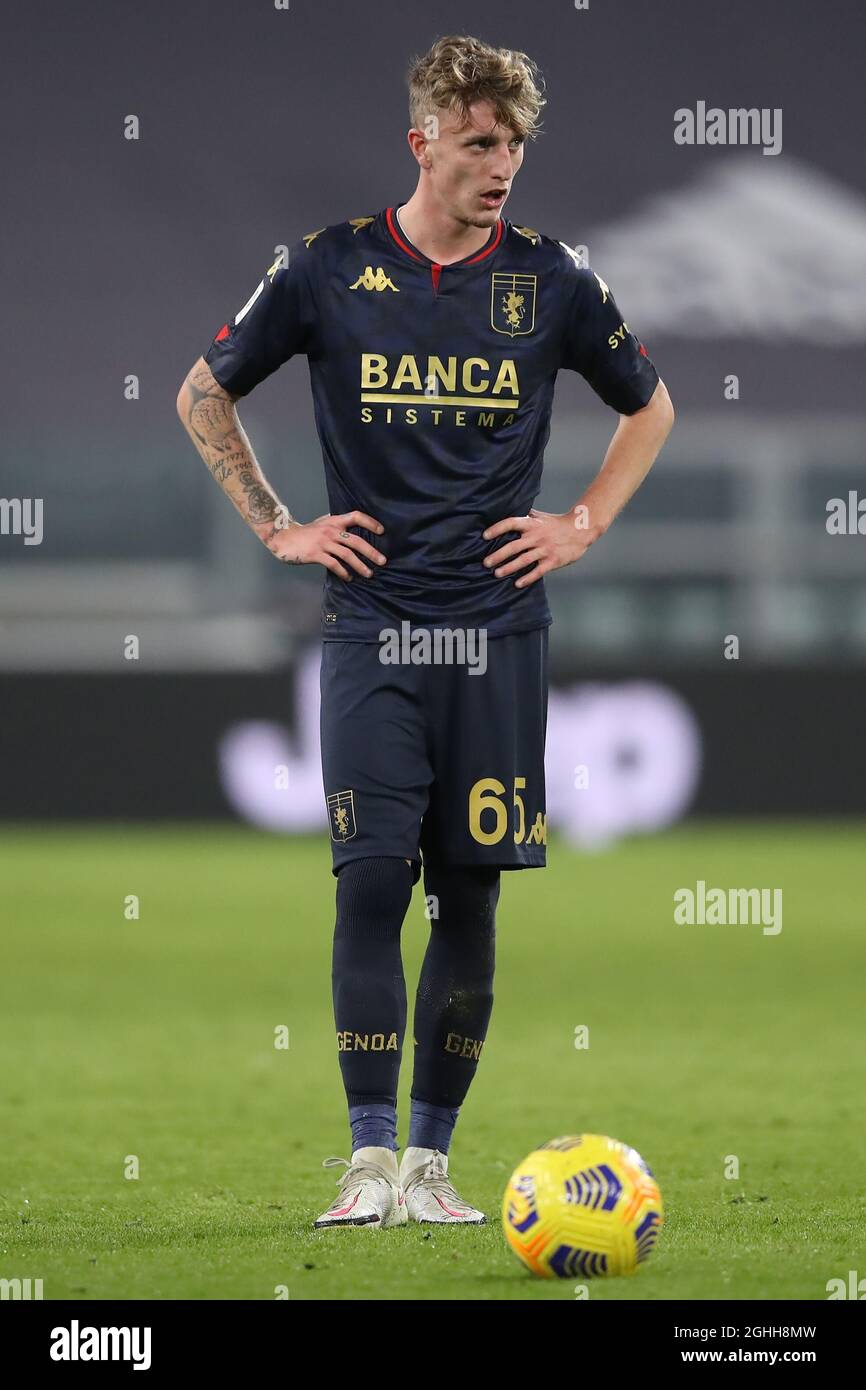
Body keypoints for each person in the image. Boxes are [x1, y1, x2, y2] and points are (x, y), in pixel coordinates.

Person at [177, 32, 674, 1229]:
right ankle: (364, 1162)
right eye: (478, 142)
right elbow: (203, 392)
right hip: (371, 634)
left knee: (469, 898)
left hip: (500, 636)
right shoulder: (323, 268)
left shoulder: (553, 282)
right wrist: (278, 527)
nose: (500, 164)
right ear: (423, 144)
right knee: (369, 884)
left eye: (512, 144)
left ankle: (434, 1169)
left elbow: (649, 407)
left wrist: (581, 522)